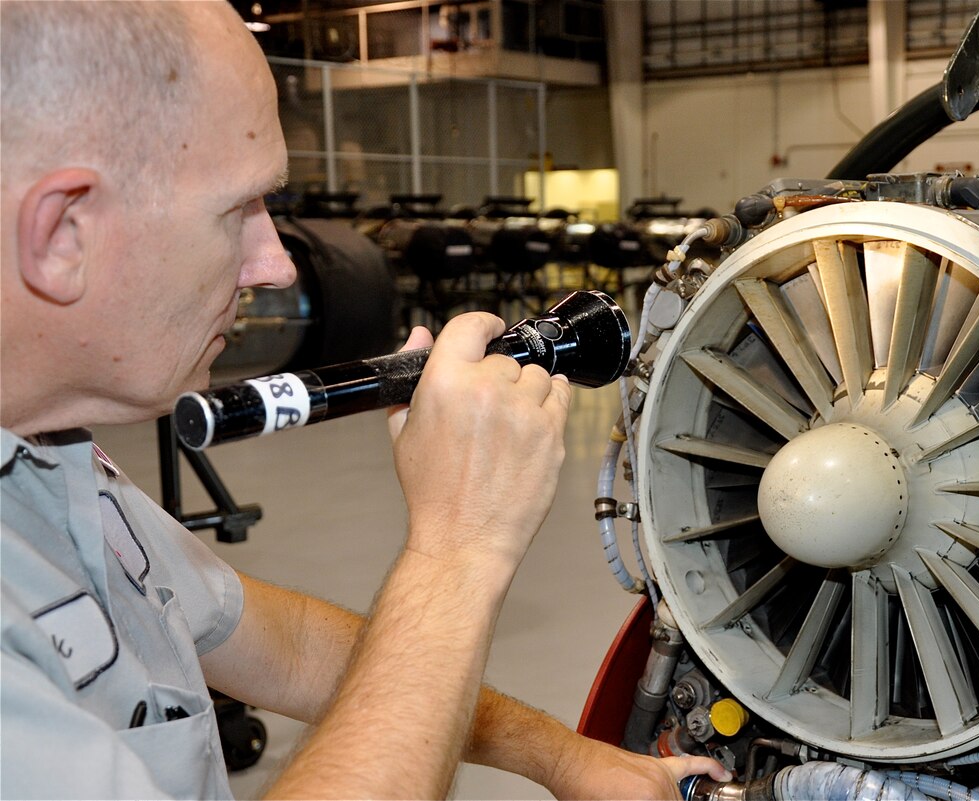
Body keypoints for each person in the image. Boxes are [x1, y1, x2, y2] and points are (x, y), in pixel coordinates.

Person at [0, 2, 730, 798]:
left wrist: (561, 754)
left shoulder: (44, 451)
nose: (276, 264)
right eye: (239, 208)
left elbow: (286, 645)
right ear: (63, 230)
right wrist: (458, 548)